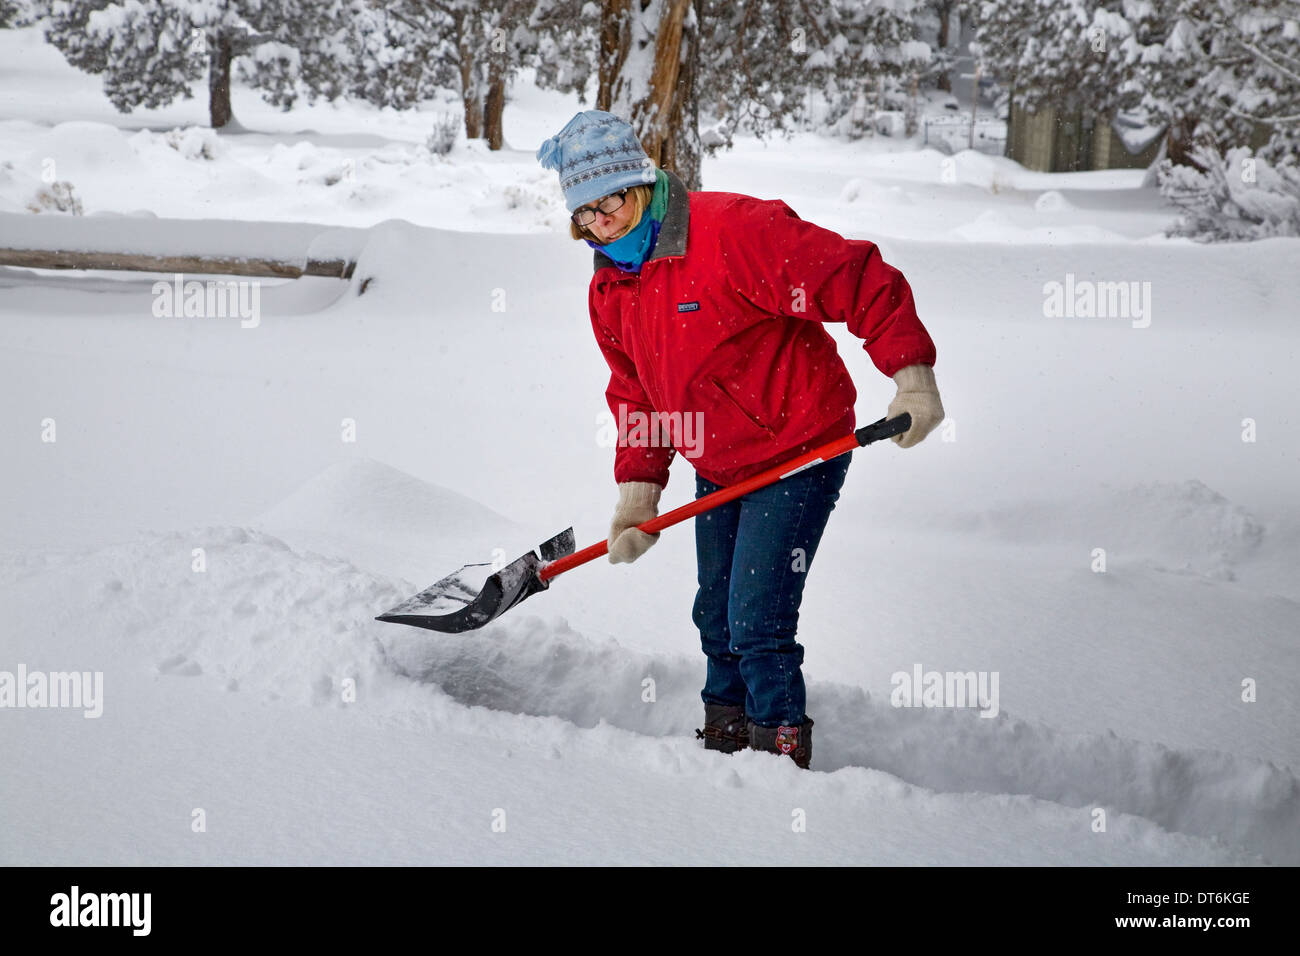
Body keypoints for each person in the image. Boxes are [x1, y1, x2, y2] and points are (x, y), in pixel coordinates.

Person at [537, 110, 943, 770]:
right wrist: (638, 495)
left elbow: (856, 277)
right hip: (718, 458)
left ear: (639, 181)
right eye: (584, 209)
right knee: (715, 618)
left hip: (800, 449)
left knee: (756, 620)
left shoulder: (732, 232)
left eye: (610, 196)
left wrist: (911, 374)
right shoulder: (611, 282)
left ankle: (778, 753)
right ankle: (722, 743)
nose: (601, 219)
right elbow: (638, 390)